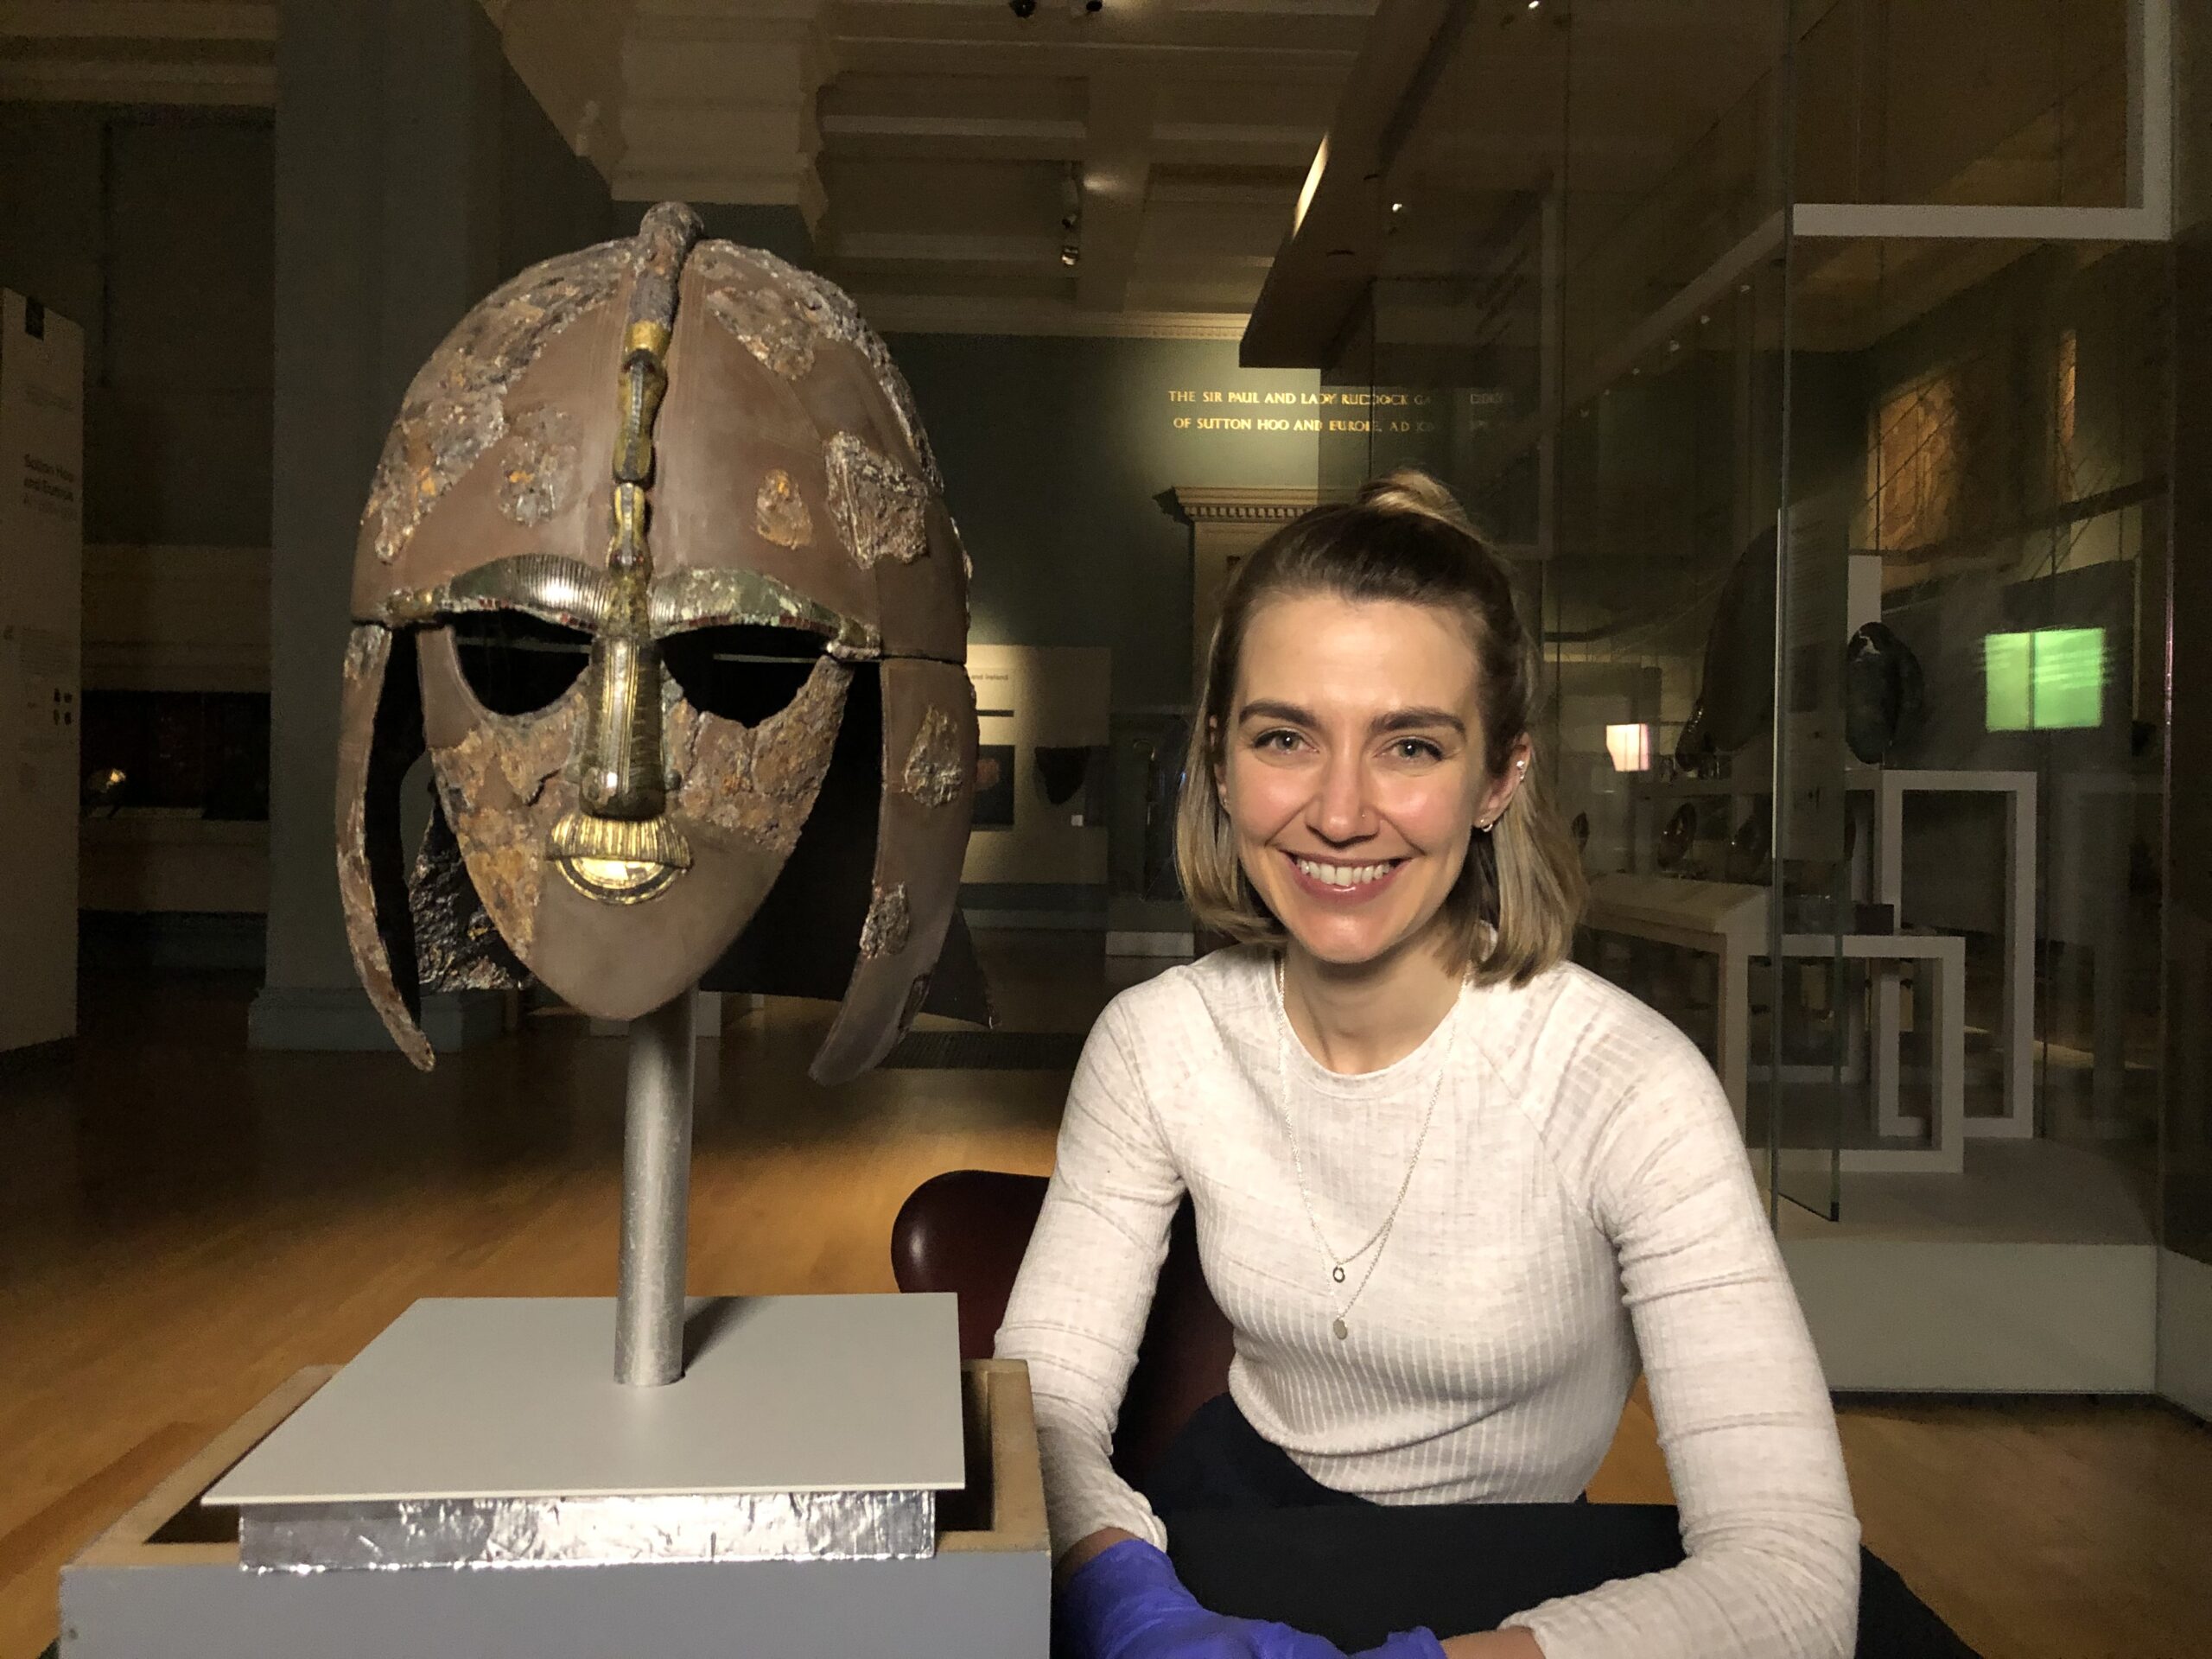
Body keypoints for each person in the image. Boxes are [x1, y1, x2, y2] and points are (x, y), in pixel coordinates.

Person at [995, 471, 1873, 1659]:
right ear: (1219, 760)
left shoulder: (1630, 1085)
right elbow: (1036, 1413)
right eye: (1285, 738)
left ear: (1499, 778)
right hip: (1223, 1536)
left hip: (1516, 1583)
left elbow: (1794, 1577)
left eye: (1409, 745)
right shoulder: (1158, 1044)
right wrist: (1128, 1600)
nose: (1340, 812)